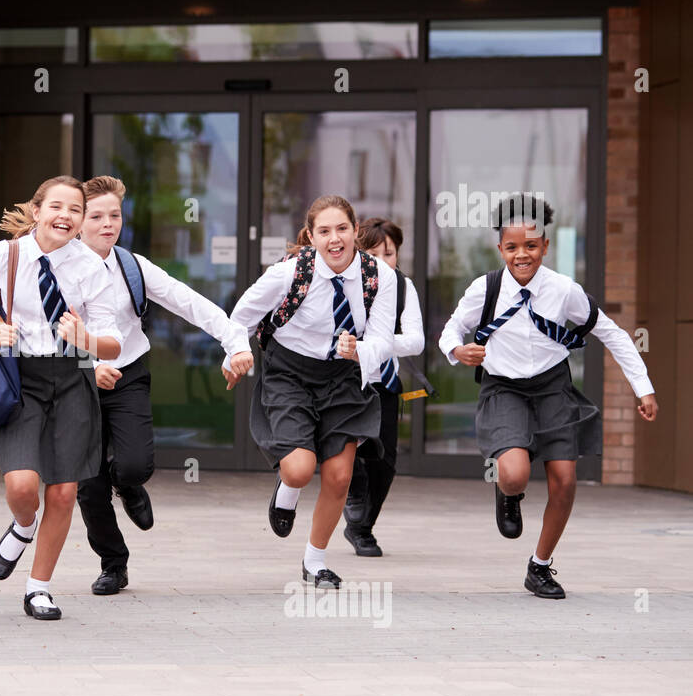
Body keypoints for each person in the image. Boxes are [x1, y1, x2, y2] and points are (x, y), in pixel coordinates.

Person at [438, 194, 657, 599]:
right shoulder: (484, 289)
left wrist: (642, 387)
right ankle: (508, 491)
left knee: (565, 481)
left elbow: (611, 333)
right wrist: (457, 350)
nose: (522, 255)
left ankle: (539, 566)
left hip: (553, 388)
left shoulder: (563, 290)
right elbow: (451, 330)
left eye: (531, 246)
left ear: (546, 246)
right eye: (512, 247)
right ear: (500, 247)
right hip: (503, 388)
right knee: (516, 472)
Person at [75, 175, 253, 595]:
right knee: (87, 482)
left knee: (136, 464)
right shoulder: (57, 269)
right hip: (76, 382)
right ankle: (113, 564)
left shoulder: (132, 266)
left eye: (114, 215)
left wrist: (235, 342)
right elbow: (43, 329)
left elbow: (188, 301)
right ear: (79, 222)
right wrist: (86, 365)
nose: (107, 224)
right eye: (96, 216)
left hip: (128, 373)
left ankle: (128, 482)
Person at [0, 176, 123, 620]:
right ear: (36, 211)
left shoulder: (92, 267)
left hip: (72, 378)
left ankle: (39, 588)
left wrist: (87, 339)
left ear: (81, 221)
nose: (65, 216)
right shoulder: (6, 255)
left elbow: (113, 343)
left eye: (75, 210)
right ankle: (22, 526)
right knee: (22, 486)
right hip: (20, 377)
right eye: (56, 206)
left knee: (62, 492)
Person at [228, 194, 397, 589]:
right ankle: (287, 490)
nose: (334, 239)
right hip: (290, 373)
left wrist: (362, 351)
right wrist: (234, 354)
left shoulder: (380, 276)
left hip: (344, 376)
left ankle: (315, 561)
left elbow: (384, 339)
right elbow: (241, 317)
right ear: (311, 235)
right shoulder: (290, 273)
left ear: (356, 231)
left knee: (339, 475)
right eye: (324, 231)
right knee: (300, 468)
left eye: (342, 229)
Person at [341, 217, 424, 556]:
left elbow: (416, 341)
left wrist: (373, 344)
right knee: (350, 454)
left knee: (385, 464)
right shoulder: (343, 285)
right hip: (344, 383)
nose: (382, 261)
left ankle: (362, 528)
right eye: (373, 253)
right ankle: (354, 510)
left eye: (389, 253)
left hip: (384, 384)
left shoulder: (403, 287)